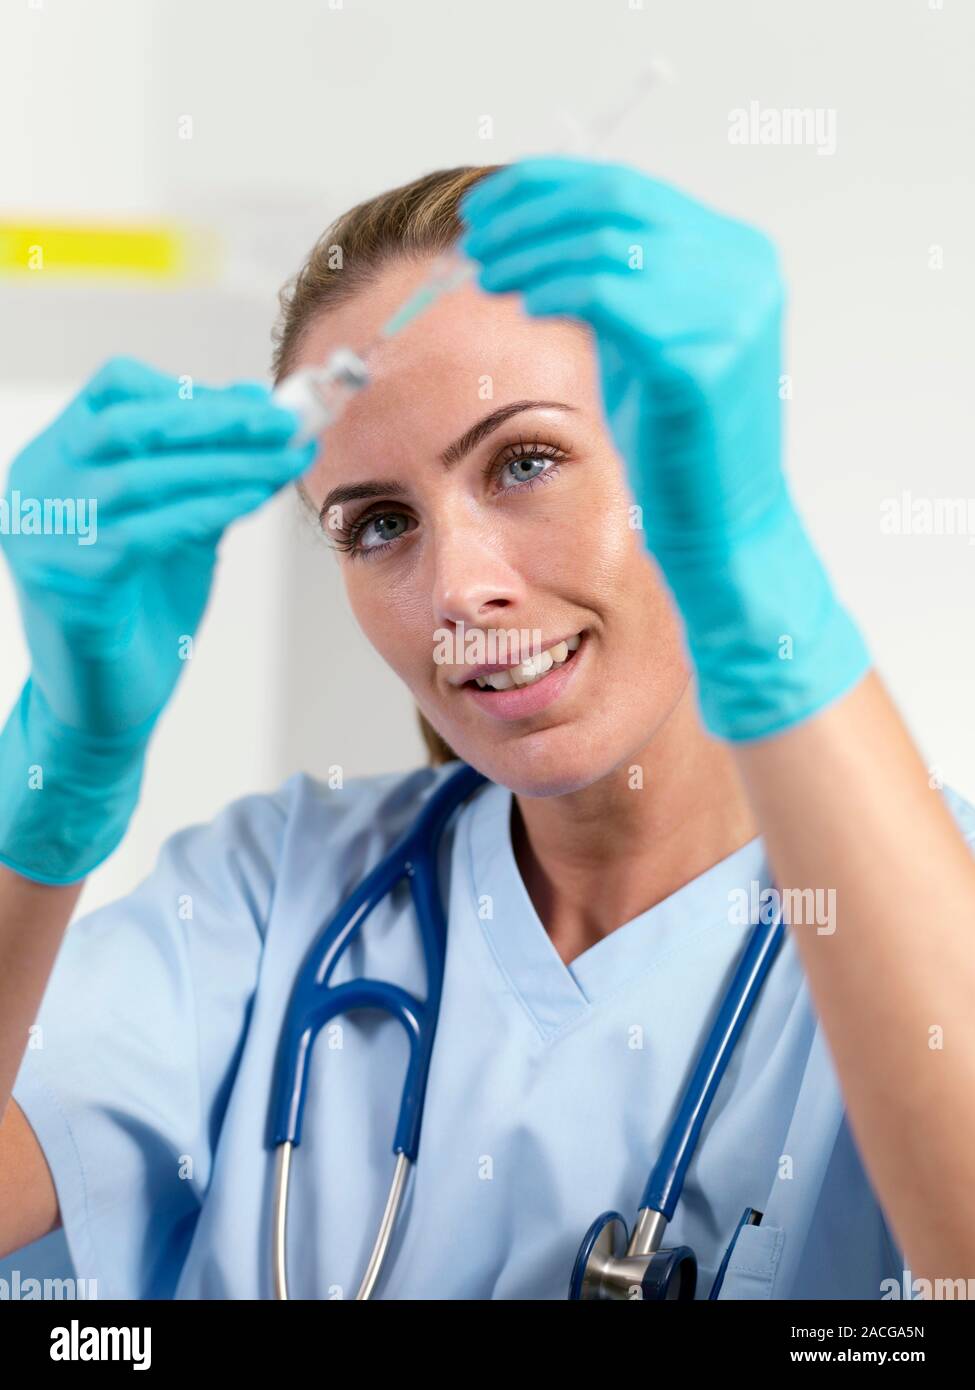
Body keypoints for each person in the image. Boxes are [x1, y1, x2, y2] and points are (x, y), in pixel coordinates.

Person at [1, 157, 974, 1301]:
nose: (458, 587)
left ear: (681, 454)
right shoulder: (273, 896)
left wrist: (765, 583)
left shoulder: (924, 911)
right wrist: (57, 772)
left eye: (525, 461)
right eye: (377, 525)